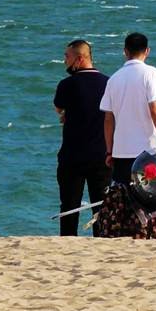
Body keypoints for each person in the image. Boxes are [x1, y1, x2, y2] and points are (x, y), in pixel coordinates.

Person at [52, 38, 109, 237]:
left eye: (67, 57)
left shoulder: (67, 84)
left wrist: (68, 114)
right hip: (102, 154)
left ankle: (68, 241)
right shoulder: (108, 82)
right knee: (101, 207)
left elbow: (59, 107)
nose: (65, 61)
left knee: (69, 206)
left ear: (79, 58)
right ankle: (101, 241)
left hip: (72, 155)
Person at [100, 31, 156, 182]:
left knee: (125, 199)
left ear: (125, 51)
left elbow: (108, 119)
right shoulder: (150, 73)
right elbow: (155, 109)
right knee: (149, 199)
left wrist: (109, 151)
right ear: (147, 51)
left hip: (121, 152)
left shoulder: (113, 79)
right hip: (149, 151)